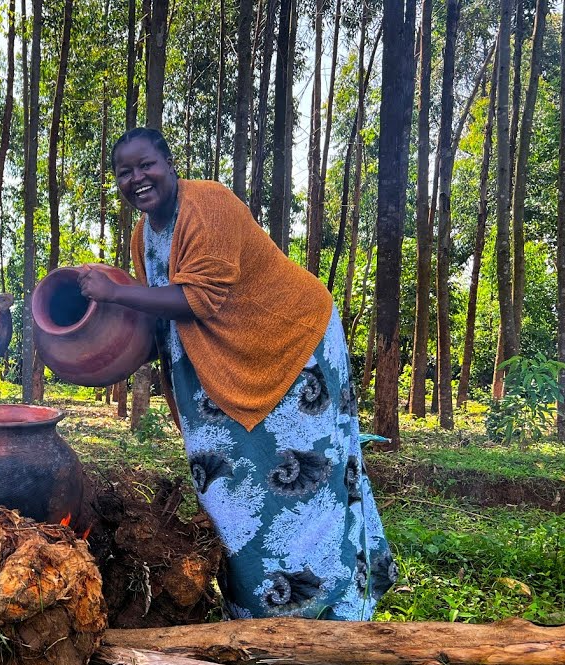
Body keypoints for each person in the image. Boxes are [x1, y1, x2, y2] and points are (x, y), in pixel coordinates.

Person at [78, 127, 396, 620]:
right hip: (213, 364)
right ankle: (256, 617)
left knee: (308, 479)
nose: (137, 178)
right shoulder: (143, 235)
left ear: (169, 164)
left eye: (147, 165)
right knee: (226, 486)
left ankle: (332, 614)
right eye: (125, 172)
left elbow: (199, 298)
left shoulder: (210, 204)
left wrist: (114, 293)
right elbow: (161, 314)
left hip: (289, 346)